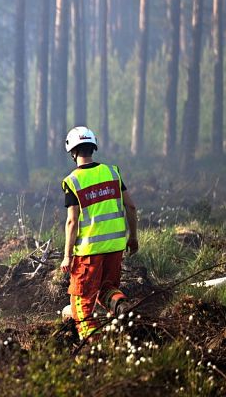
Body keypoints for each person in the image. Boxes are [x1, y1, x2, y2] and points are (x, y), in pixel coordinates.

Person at [59, 126, 139, 340]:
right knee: (107, 288)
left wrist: (67, 255)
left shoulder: (72, 181)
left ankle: (93, 349)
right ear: (92, 147)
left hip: (88, 252)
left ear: (72, 152)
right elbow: (130, 207)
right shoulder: (112, 172)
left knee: (81, 305)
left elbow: (72, 221)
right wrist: (133, 237)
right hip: (115, 248)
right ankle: (121, 305)